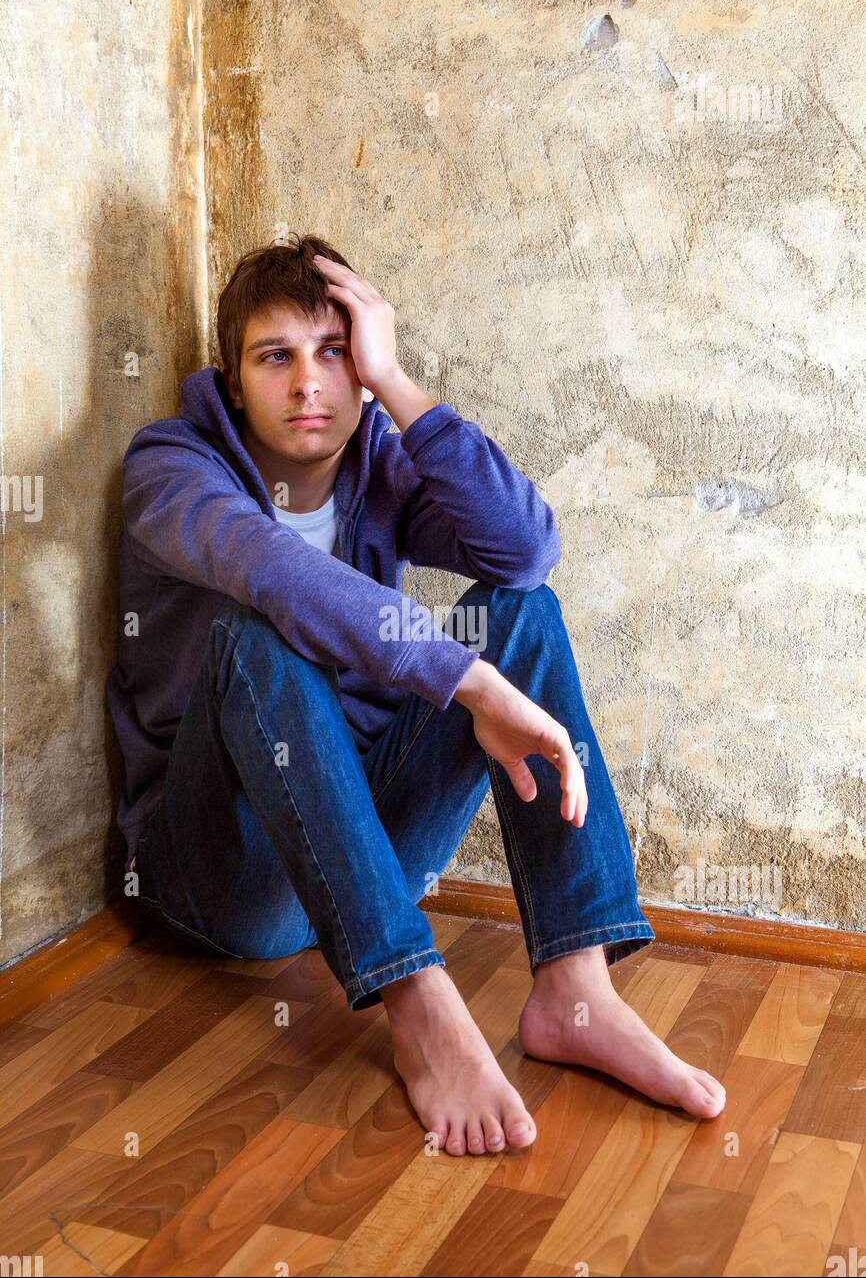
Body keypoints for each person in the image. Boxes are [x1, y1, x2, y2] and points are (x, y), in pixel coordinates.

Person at [106, 234, 726, 1158]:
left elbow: (524, 552)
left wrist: (399, 386)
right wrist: (472, 686)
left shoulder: (379, 467)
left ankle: (577, 991)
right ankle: (419, 1000)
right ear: (233, 380)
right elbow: (274, 573)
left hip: (358, 849)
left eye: (335, 354)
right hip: (225, 872)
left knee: (522, 611)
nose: (308, 385)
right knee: (258, 631)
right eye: (275, 357)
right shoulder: (171, 469)